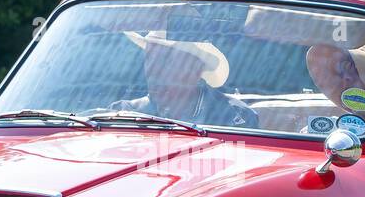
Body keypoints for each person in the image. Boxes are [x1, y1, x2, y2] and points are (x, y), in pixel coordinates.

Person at [110, 34, 259, 128]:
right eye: (149, 58)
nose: (153, 70)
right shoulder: (122, 115)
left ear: (196, 68)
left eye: (165, 60)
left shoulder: (236, 117)